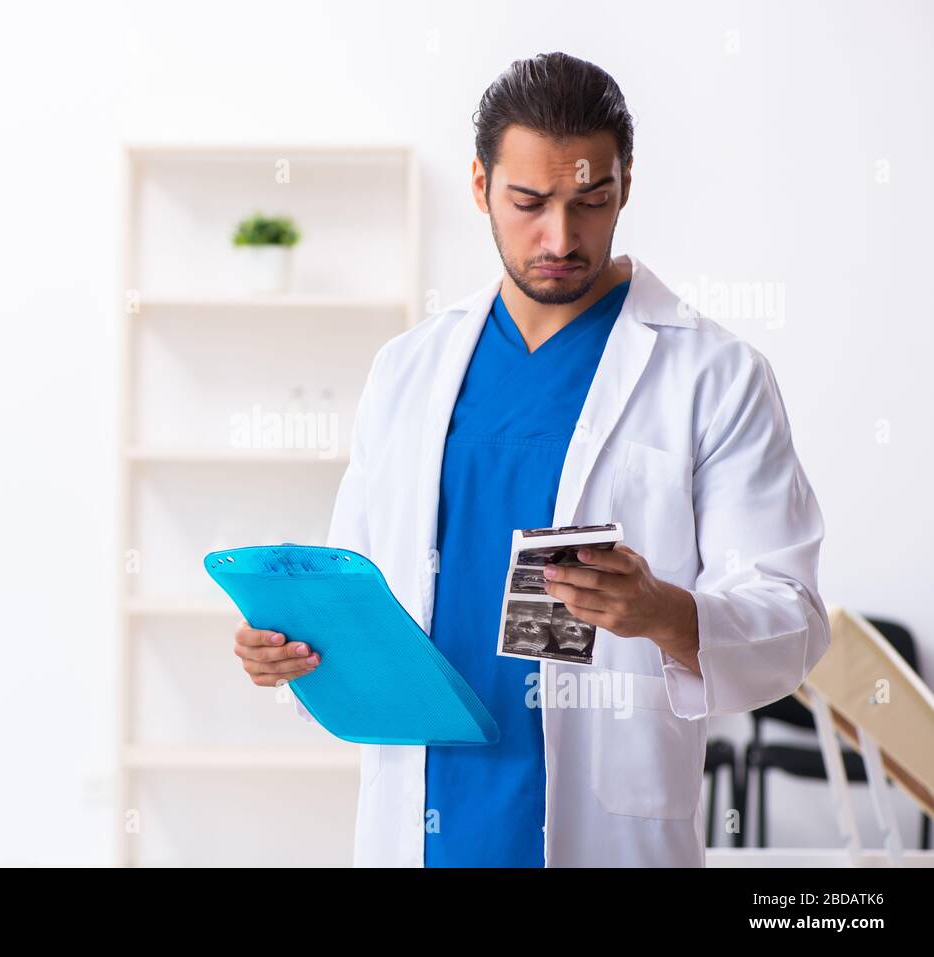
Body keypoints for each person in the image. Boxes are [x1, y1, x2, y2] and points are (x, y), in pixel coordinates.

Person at [233, 51, 828, 867]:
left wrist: (664, 611)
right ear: (479, 186)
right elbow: (360, 590)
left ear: (625, 186)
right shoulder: (407, 370)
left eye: (592, 201)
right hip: (426, 820)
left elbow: (792, 616)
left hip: (604, 831)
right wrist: (296, 652)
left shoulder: (714, 376)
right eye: (528, 202)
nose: (561, 236)